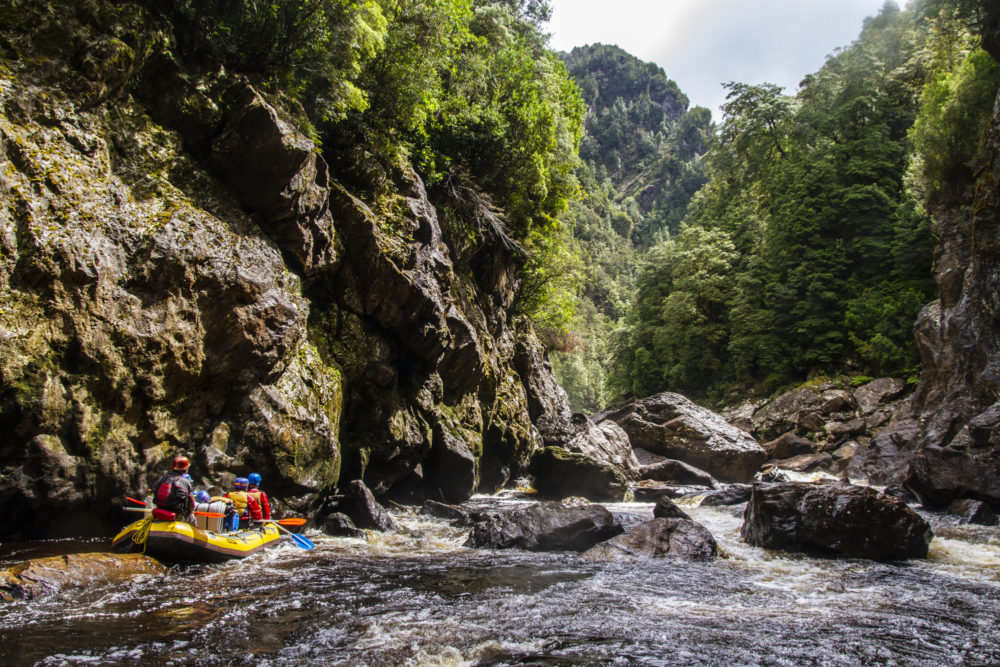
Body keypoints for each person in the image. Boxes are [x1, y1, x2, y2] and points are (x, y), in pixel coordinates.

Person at [151, 456, 195, 523]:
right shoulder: (185, 482)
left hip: (159, 511)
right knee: (192, 518)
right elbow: (191, 503)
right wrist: (190, 512)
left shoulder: (163, 478)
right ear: (186, 469)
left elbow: (154, 489)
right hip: (176, 515)